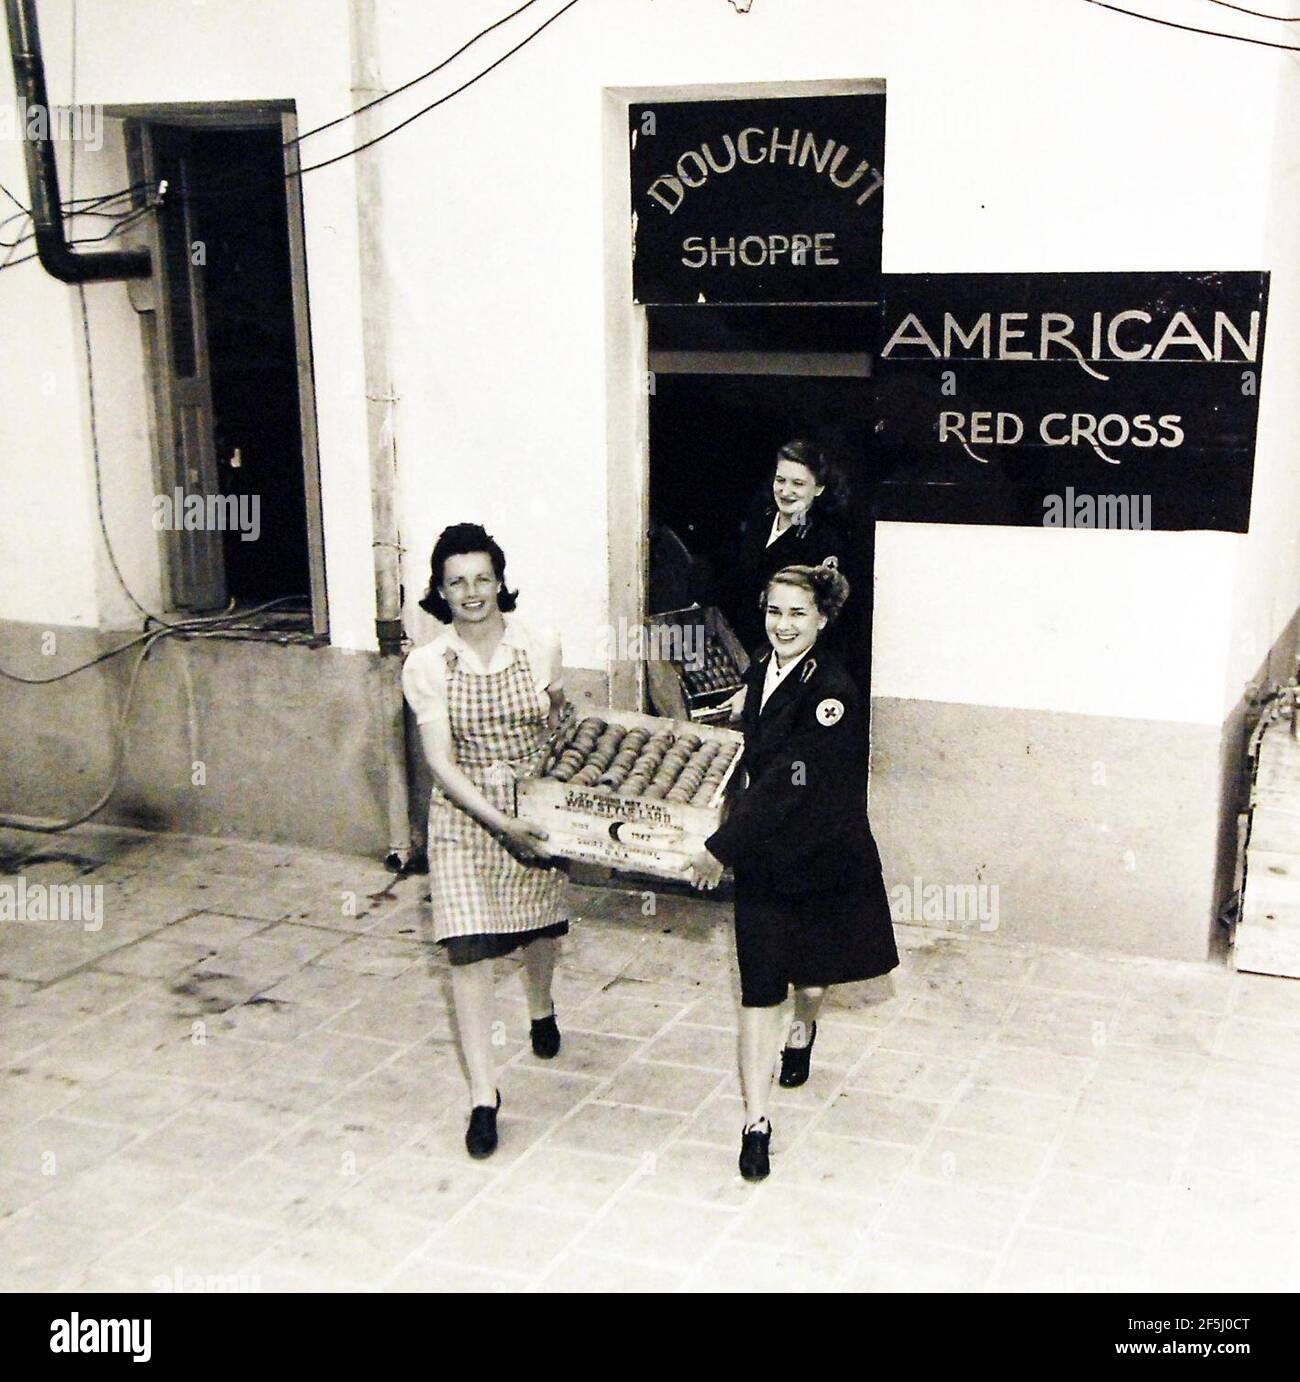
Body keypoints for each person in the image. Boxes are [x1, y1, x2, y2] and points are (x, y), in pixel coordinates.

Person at [687, 564, 898, 1182]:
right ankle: (757, 1122)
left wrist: (719, 847)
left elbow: (787, 783)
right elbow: (759, 707)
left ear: (823, 619)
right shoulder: (761, 665)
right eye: (774, 611)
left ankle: (804, 1031)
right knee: (759, 988)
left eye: (797, 614)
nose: (782, 624)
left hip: (818, 855)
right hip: (766, 860)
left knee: (808, 981)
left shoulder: (832, 691)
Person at [402, 523, 568, 1159]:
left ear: (501, 582)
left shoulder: (539, 642)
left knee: (542, 926)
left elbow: (557, 709)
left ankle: (542, 1005)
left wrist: (564, 774)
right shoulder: (427, 664)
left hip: (533, 799)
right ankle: (482, 1095)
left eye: (481, 578)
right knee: (468, 949)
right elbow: (439, 763)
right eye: (456, 581)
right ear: (440, 593)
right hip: (466, 816)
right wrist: (501, 826)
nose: (471, 592)